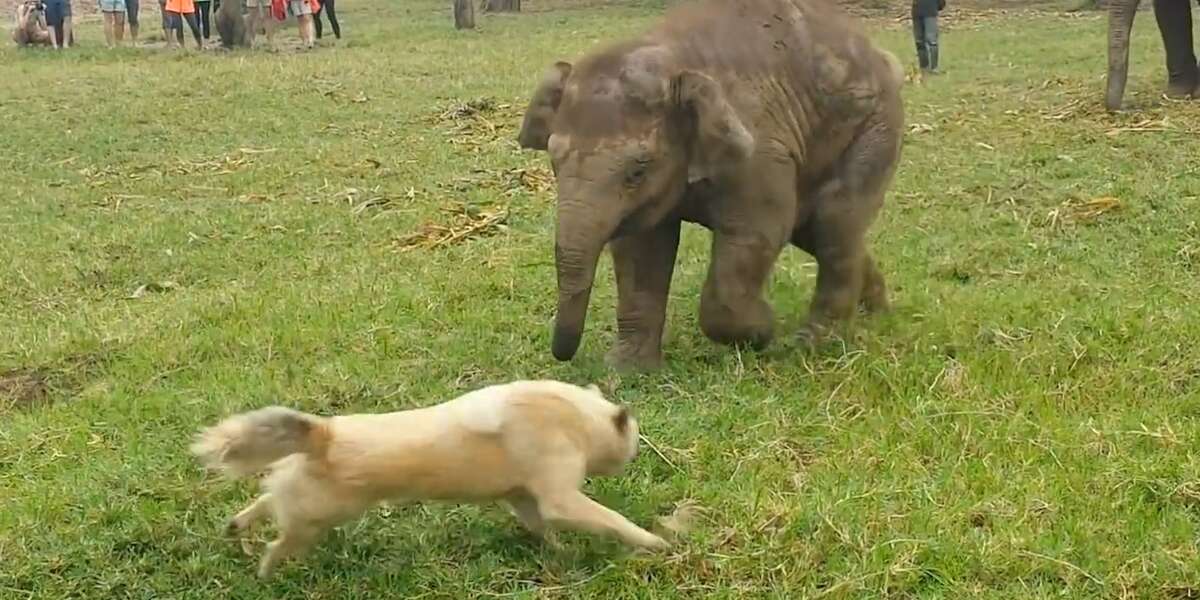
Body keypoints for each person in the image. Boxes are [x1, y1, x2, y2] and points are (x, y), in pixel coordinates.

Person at [912, 0, 944, 74]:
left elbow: (941, 3)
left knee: (932, 40)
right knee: (919, 41)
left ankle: (934, 67)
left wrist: (936, 7)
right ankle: (923, 67)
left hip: (930, 12)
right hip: (917, 12)